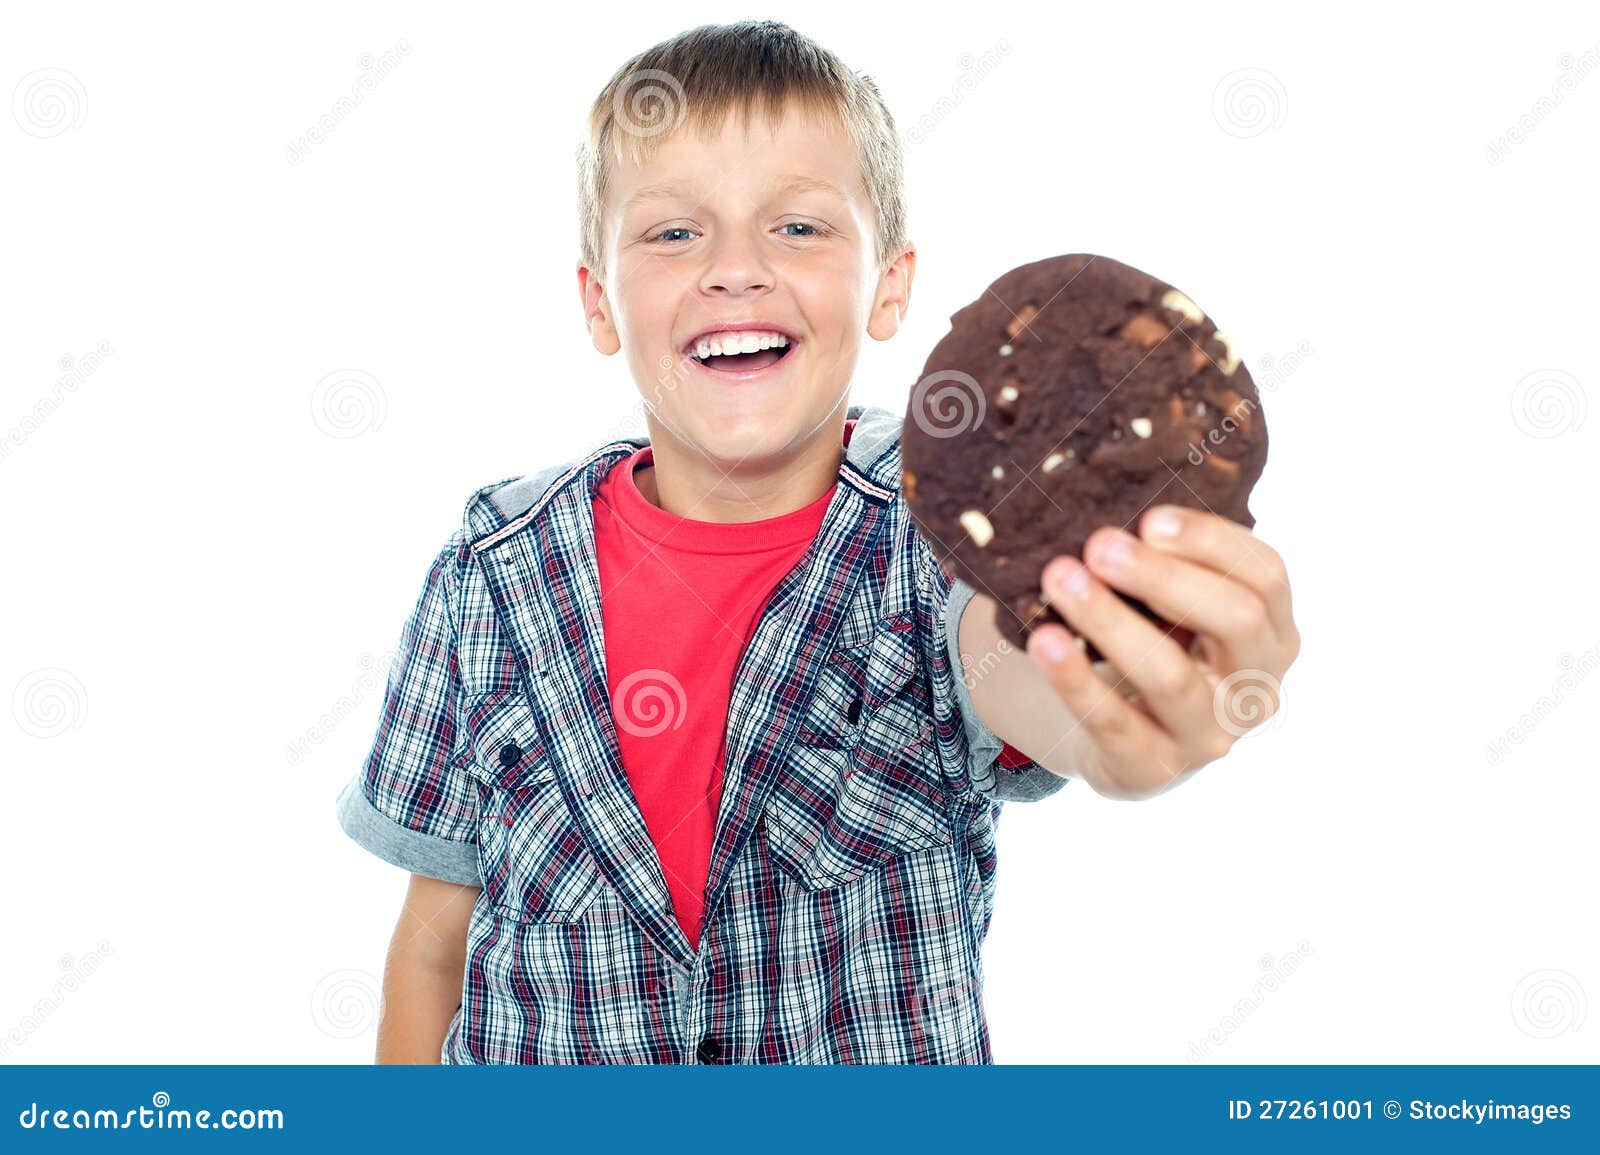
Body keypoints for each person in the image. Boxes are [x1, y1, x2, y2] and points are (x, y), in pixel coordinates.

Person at [335, 19, 1300, 1064]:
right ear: (597, 302)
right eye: (671, 234)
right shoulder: (493, 572)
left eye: (797, 228)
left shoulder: (936, 542)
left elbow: (1017, 666)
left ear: (888, 285)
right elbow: (433, 946)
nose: (735, 270)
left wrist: (1124, 709)